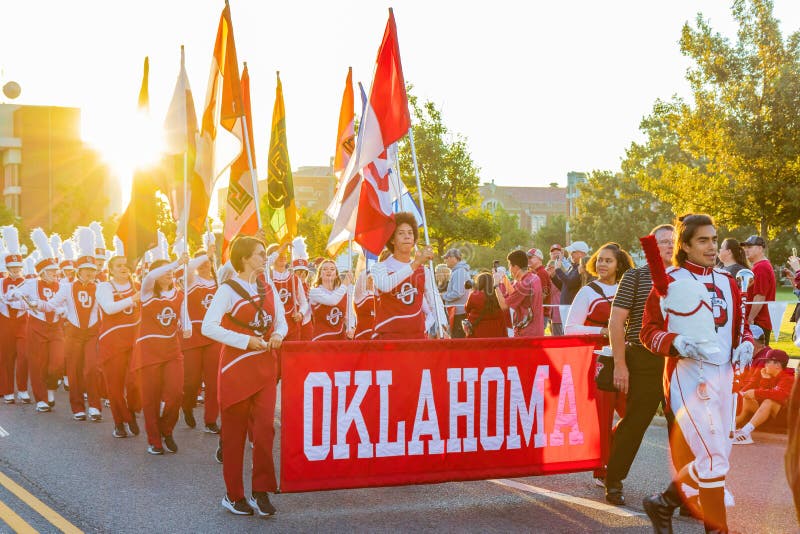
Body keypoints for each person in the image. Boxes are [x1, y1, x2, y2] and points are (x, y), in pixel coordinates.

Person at [640, 213, 754, 534]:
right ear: (685, 245)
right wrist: (678, 343)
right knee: (714, 459)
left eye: (714, 239)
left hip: (724, 377)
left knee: (715, 457)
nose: (711, 246)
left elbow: (740, 328)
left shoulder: (728, 281)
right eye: (703, 240)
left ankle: (662, 503)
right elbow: (647, 332)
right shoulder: (670, 280)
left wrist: (745, 343)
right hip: (688, 378)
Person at [202, 236, 286, 517]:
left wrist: (277, 334)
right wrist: (244, 341)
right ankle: (233, 495)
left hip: (264, 369)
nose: (266, 258)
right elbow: (208, 327)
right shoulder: (227, 290)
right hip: (236, 370)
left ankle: (261, 491)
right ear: (245, 258)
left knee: (265, 430)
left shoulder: (269, 285)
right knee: (234, 435)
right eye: (261, 254)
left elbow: (281, 321)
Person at [603, 224, 674, 505]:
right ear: (651, 248)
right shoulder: (634, 276)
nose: (669, 246)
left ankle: (683, 494)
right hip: (643, 358)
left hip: (679, 361)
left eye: (673, 241)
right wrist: (620, 365)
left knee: (681, 428)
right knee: (635, 422)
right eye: (663, 242)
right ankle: (614, 480)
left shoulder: (686, 278)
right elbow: (616, 322)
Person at [565, 242, 634, 487]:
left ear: (619, 264)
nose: (603, 264)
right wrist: (604, 330)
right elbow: (569, 328)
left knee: (633, 415)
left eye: (609, 260)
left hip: (629, 359)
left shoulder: (629, 287)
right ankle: (603, 468)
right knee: (603, 416)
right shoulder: (587, 292)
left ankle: (612, 455)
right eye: (600, 260)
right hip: (600, 360)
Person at [40, 227, 103, 421]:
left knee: (92, 368)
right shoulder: (67, 287)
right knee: (74, 371)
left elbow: (106, 309)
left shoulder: (100, 287)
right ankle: (78, 407)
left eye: (93, 271)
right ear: (79, 271)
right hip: (73, 333)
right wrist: (35, 304)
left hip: (92, 332)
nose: (90, 274)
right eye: (86, 271)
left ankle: (94, 405)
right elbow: (51, 305)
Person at [131, 252, 190, 455]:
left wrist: (187, 326)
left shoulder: (180, 295)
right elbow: (148, 277)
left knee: (176, 394)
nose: (170, 273)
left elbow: (183, 318)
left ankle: (166, 429)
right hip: (148, 352)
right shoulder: (147, 292)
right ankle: (154, 440)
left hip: (171, 350)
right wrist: (175, 262)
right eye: (165, 271)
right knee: (151, 399)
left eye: (171, 271)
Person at [7, 229, 65, 413]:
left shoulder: (62, 286)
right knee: (37, 362)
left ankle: (50, 389)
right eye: (51, 271)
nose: (55, 274)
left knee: (56, 361)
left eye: (55, 271)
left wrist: (61, 310)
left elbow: (67, 305)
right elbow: (13, 296)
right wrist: (15, 294)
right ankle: (41, 399)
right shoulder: (31, 284)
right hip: (36, 327)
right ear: (42, 272)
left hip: (55, 327)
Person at [371, 212, 446, 340]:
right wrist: (415, 264)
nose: (407, 236)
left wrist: (441, 325)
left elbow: (434, 300)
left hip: (416, 337)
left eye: (410, 233)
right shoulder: (379, 267)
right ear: (392, 239)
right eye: (401, 233)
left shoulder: (423, 270)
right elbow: (386, 286)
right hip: (387, 337)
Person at [96, 250, 141, 438]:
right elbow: (109, 308)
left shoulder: (137, 285)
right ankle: (120, 422)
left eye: (125, 264)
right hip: (112, 343)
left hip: (135, 341)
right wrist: (133, 299)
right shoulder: (104, 287)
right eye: (119, 265)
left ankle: (130, 411)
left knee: (134, 382)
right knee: (114, 387)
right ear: (111, 270)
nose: (123, 268)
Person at [181, 239, 222, 434]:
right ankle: (187, 405)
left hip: (213, 336)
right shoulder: (191, 280)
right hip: (193, 336)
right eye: (203, 261)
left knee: (214, 382)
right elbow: (189, 267)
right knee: (191, 380)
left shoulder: (219, 281)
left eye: (208, 261)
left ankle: (210, 420)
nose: (206, 264)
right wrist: (206, 254)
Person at [734, 348, 795, 444]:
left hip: (787, 419)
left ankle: (745, 433)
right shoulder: (770, 376)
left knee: (769, 402)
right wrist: (765, 380)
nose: (764, 364)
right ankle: (730, 427)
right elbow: (764, 394)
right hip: (772, 415)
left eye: (767, 362)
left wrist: (755, 393)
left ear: (777, 365)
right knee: (748, 400)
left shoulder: (788, 378)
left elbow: (779, 395)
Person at [0, 226, 30, 404]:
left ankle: (23, 389)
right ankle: (8, 390)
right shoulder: (1, 281)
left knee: (24, 355)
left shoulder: (28, 282)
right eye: (13, 267)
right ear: (7, 267)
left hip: (22, 322)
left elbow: (29, 302)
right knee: (6, 357)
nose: (16, 270)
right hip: (4, 322)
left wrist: (15, 302)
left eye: (18, 267)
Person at [495, 249, 544, 337]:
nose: (509, 269)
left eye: (509, 266)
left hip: (526, 333)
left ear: (516, 267)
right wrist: (504, 278)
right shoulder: (534, 277)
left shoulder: (523, 284)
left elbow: (504, 306)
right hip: (537, 330)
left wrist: (496, 285)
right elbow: (515, 294)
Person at [308, 259, 354, 341]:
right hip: (321, 339)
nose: (329, 271)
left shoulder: (343, 291)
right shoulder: (314, 291)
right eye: (325, 269)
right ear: (320, 275)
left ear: (336, 275)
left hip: (340, 339)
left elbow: (349, 315)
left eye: (332, 269)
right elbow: (332, 301)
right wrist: (344, 284)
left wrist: (351, 327)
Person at [741, 234, 776, 341]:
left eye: (750, 247)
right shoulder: (759, 266)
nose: (746, 250)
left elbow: (760, 296)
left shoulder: (761, 267)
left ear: (760, 248)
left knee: (757, 357)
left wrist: (750, 319)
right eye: (745, 247)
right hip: (759, 322)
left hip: (758, 322)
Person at [463, 272, 507, 338]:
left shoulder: (474, 295)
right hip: (497, 332)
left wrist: (472, 291)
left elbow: (467, 309)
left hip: (479, 333)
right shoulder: (498, 295)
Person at [441, 248, 470, 338]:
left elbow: (458, 292)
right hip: (458, 312)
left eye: (447, 257)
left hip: (459, 314)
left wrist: (443, 296)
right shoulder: (458, 271)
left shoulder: (459, 271)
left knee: (458, 340)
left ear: (453, 258)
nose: (445, 260)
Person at [552, 240, 590, 306]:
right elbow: (564, 287)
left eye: (573, 252)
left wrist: (558, 270)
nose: (571, 254)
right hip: (566, 306)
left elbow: (571, 283)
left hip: (573, 306)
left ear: (581, 253)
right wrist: (553, 277)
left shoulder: (584, 268)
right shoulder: (573, 267)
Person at [527, 248, 552, 331]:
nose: (528, 260)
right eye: (528, 258)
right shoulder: (535, 272)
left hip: (540, 313)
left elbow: (543, 295)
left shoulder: (541, 273)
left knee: (536, 340)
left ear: (539, 258)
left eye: (531, 257)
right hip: (538, 312)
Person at [353, 270, 376, 340]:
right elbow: (362, 274)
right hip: (362, 337)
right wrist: (370, 267)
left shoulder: (380, 295)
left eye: (374, 279)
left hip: (377, 338)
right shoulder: (360, 296)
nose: (372, 281)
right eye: (369, 279)